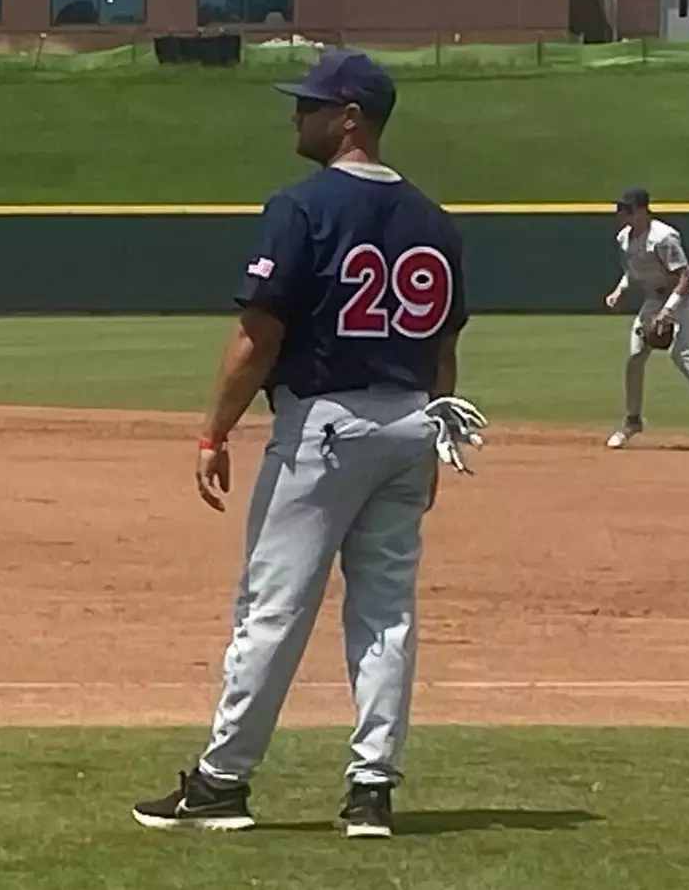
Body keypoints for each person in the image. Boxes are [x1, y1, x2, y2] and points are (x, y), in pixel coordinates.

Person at [129, 50, 486, 840]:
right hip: (409, 420)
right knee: (386, 610)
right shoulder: (435, 218)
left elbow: (258, 337)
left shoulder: (302, 208)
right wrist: (432, 435)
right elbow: (444, 351)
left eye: (311, 106)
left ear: (350, 116)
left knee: (274, 606)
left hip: (326, 428)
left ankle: (222, 784)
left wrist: (213, 430)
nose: (298, 117)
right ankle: (372, 791)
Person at [604, 188, 689, 451]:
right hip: (654, 297)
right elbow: (632, 269)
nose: (621, 213)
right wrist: (620, 289)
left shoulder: (664, 237)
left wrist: (668, 311)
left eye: (626, 209)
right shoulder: (624, 238)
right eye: (620, 208)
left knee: (680, 353)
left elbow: (685, 277)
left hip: (682, 297)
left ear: (641, 210)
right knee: (635, 356)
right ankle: (633, 420)